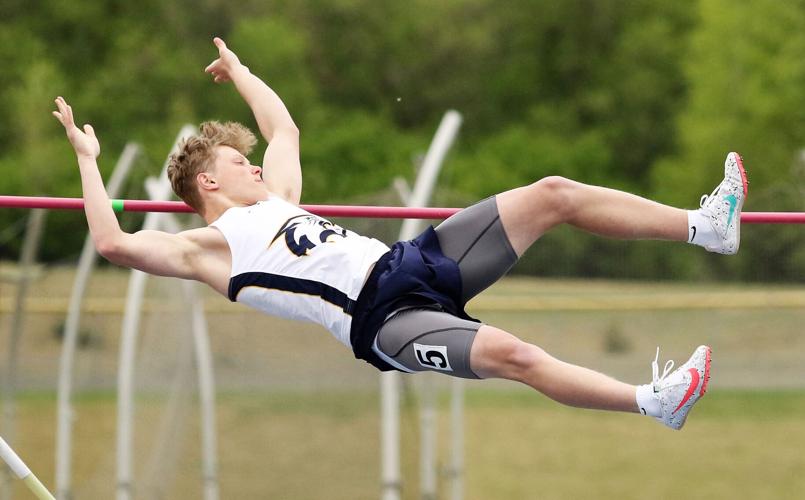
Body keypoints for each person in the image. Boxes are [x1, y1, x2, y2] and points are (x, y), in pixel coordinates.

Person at [53, 37, 747, 430]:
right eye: (240, 164)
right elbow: (113, 243)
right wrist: (89, 162)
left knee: (552, 194)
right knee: (516, 354)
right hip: (385, 322)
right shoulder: (204, 250)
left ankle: (704, 227)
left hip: (412, 263)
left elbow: (283, 129)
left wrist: (240, 73)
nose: (257, 166)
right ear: (208, 184)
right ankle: (651, 402)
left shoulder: (280, 197)